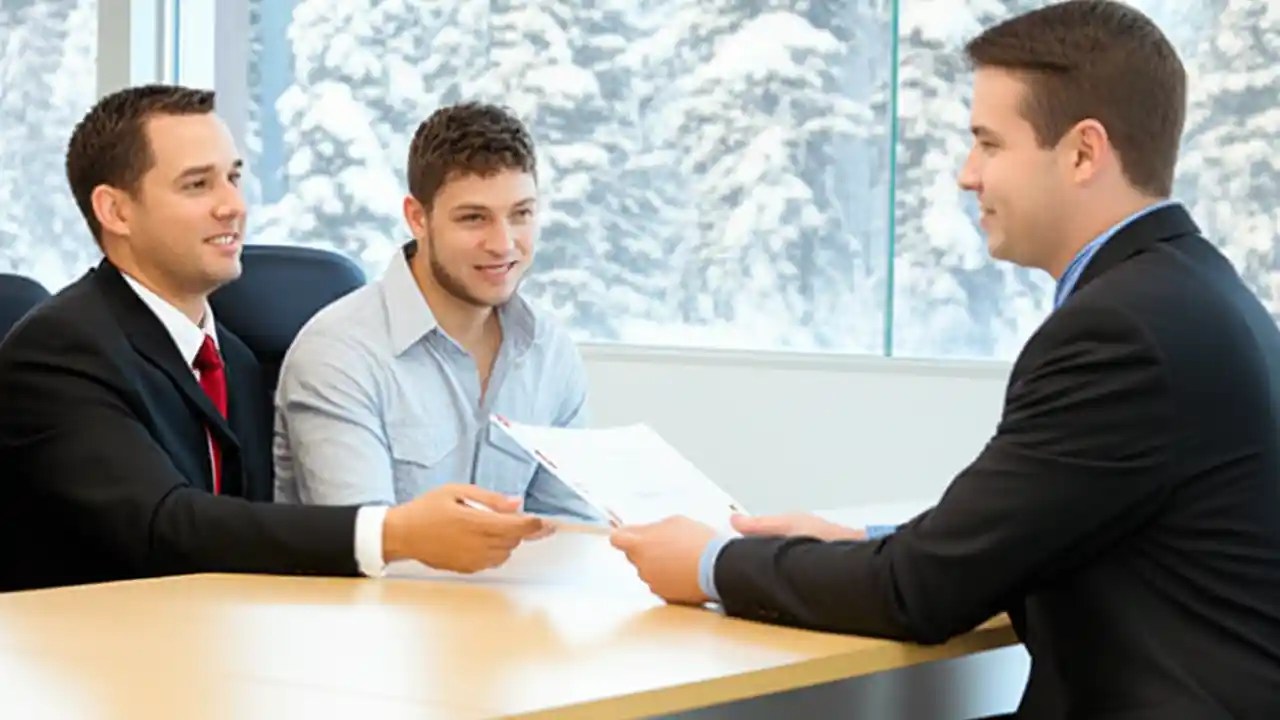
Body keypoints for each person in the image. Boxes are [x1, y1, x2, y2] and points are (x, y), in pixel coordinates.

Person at [610, 2, 1280, 717]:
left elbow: (918, 592)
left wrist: (709, 564)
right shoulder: (1198, 293)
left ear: (1084, 153)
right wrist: (865, 541)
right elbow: (1041, 524)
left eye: (989, 145)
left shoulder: (1123, 332)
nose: (968, 175)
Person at [0, 85, 546, 592]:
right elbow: (165, 526)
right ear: (115, 210)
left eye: (234, 177)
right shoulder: (60, 351)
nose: (233, 205)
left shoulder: (233, 358)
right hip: (88, 668)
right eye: (197, 184)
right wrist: (393, 533)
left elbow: (250, 530)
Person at [272, 101, 601, 552]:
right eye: (474, 218)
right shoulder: (339, 353)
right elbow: (363, 547)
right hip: (372, 615)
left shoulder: (549, 350)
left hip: (509, 614)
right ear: (417, 218)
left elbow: (570, 535)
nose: (503, 244)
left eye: (521, 214)